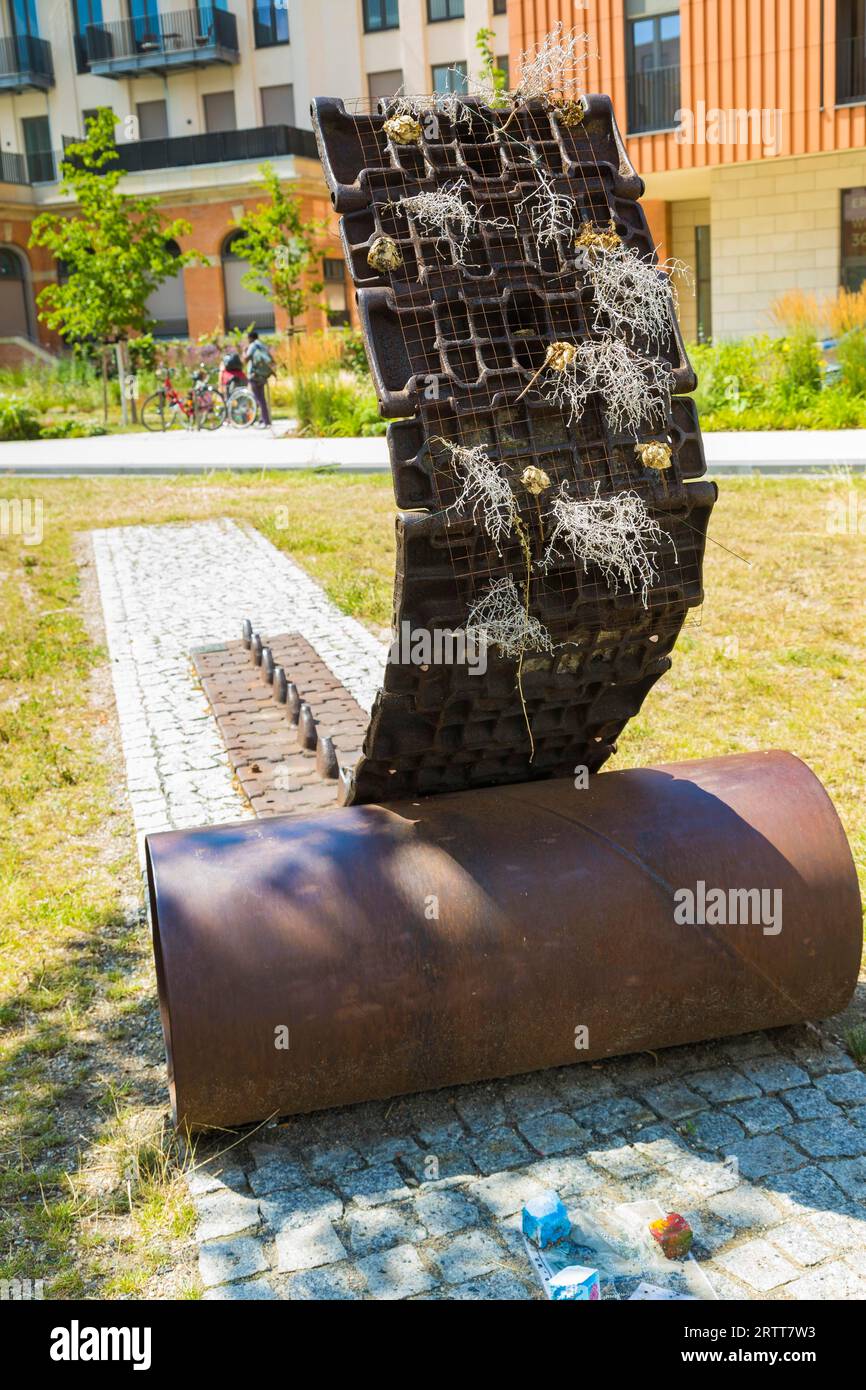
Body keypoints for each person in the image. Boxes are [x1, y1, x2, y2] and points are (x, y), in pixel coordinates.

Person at [243, 329, 275, 427]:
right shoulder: (262, 345)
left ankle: (265, 420)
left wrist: (244, 352)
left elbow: (245, 359)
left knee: (258, 398)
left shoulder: (252, 346)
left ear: (250, 338)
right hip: (263, 375)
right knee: (261, 398)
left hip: (254, 375)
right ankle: (263, 419)